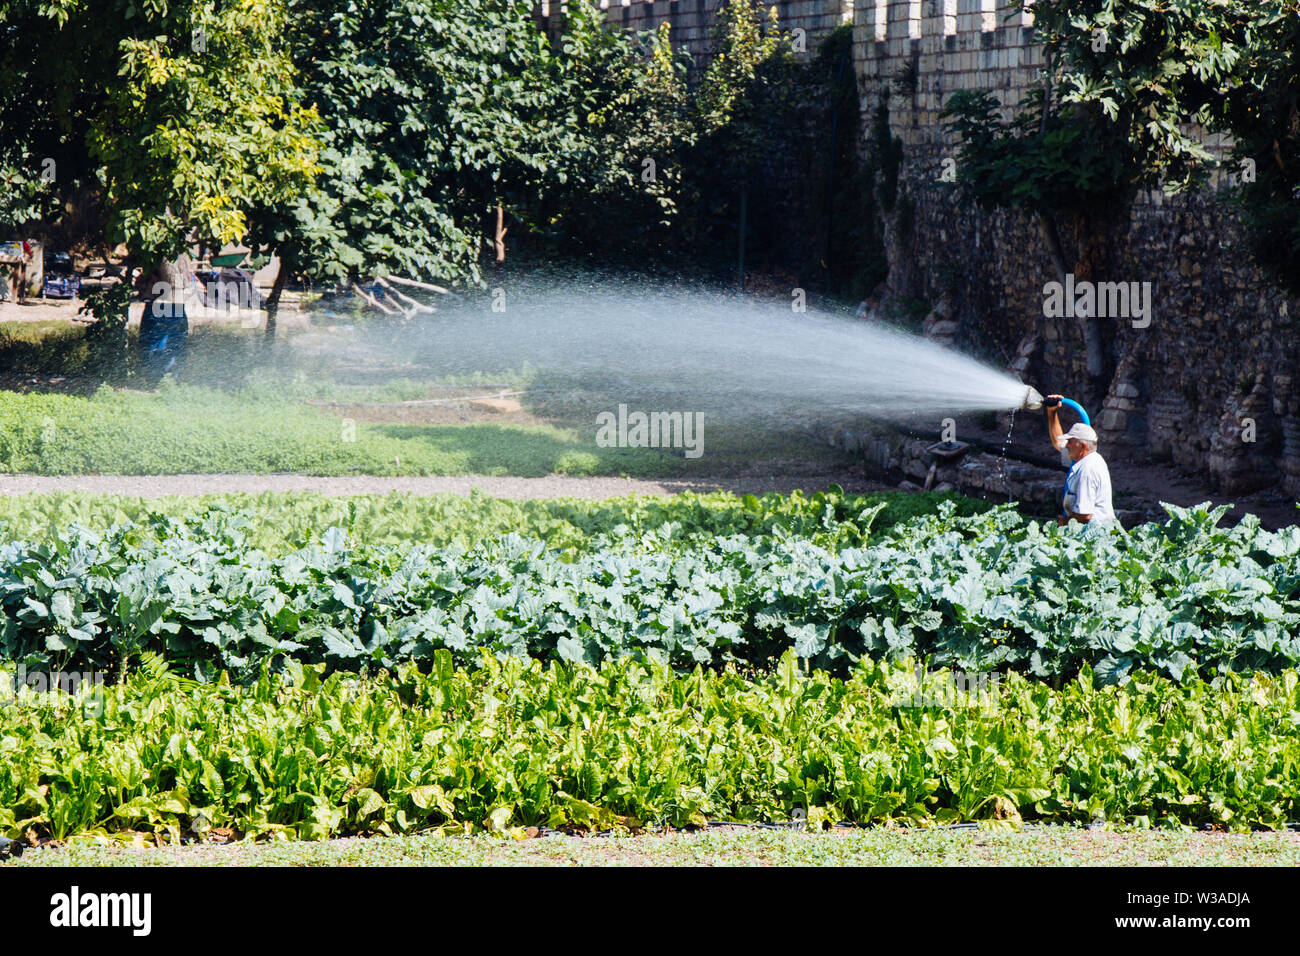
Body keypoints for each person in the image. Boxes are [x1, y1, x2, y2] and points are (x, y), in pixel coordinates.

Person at [1045, 394, 1114, 526]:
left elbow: (1084, 515)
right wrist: (1052, 413)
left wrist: (1064, 522)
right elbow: (1057, 442)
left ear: (1082, 446)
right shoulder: (1086, 458)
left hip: (1094, 533)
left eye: (1070, 441)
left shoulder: (1087, 470)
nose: (1067, 445)